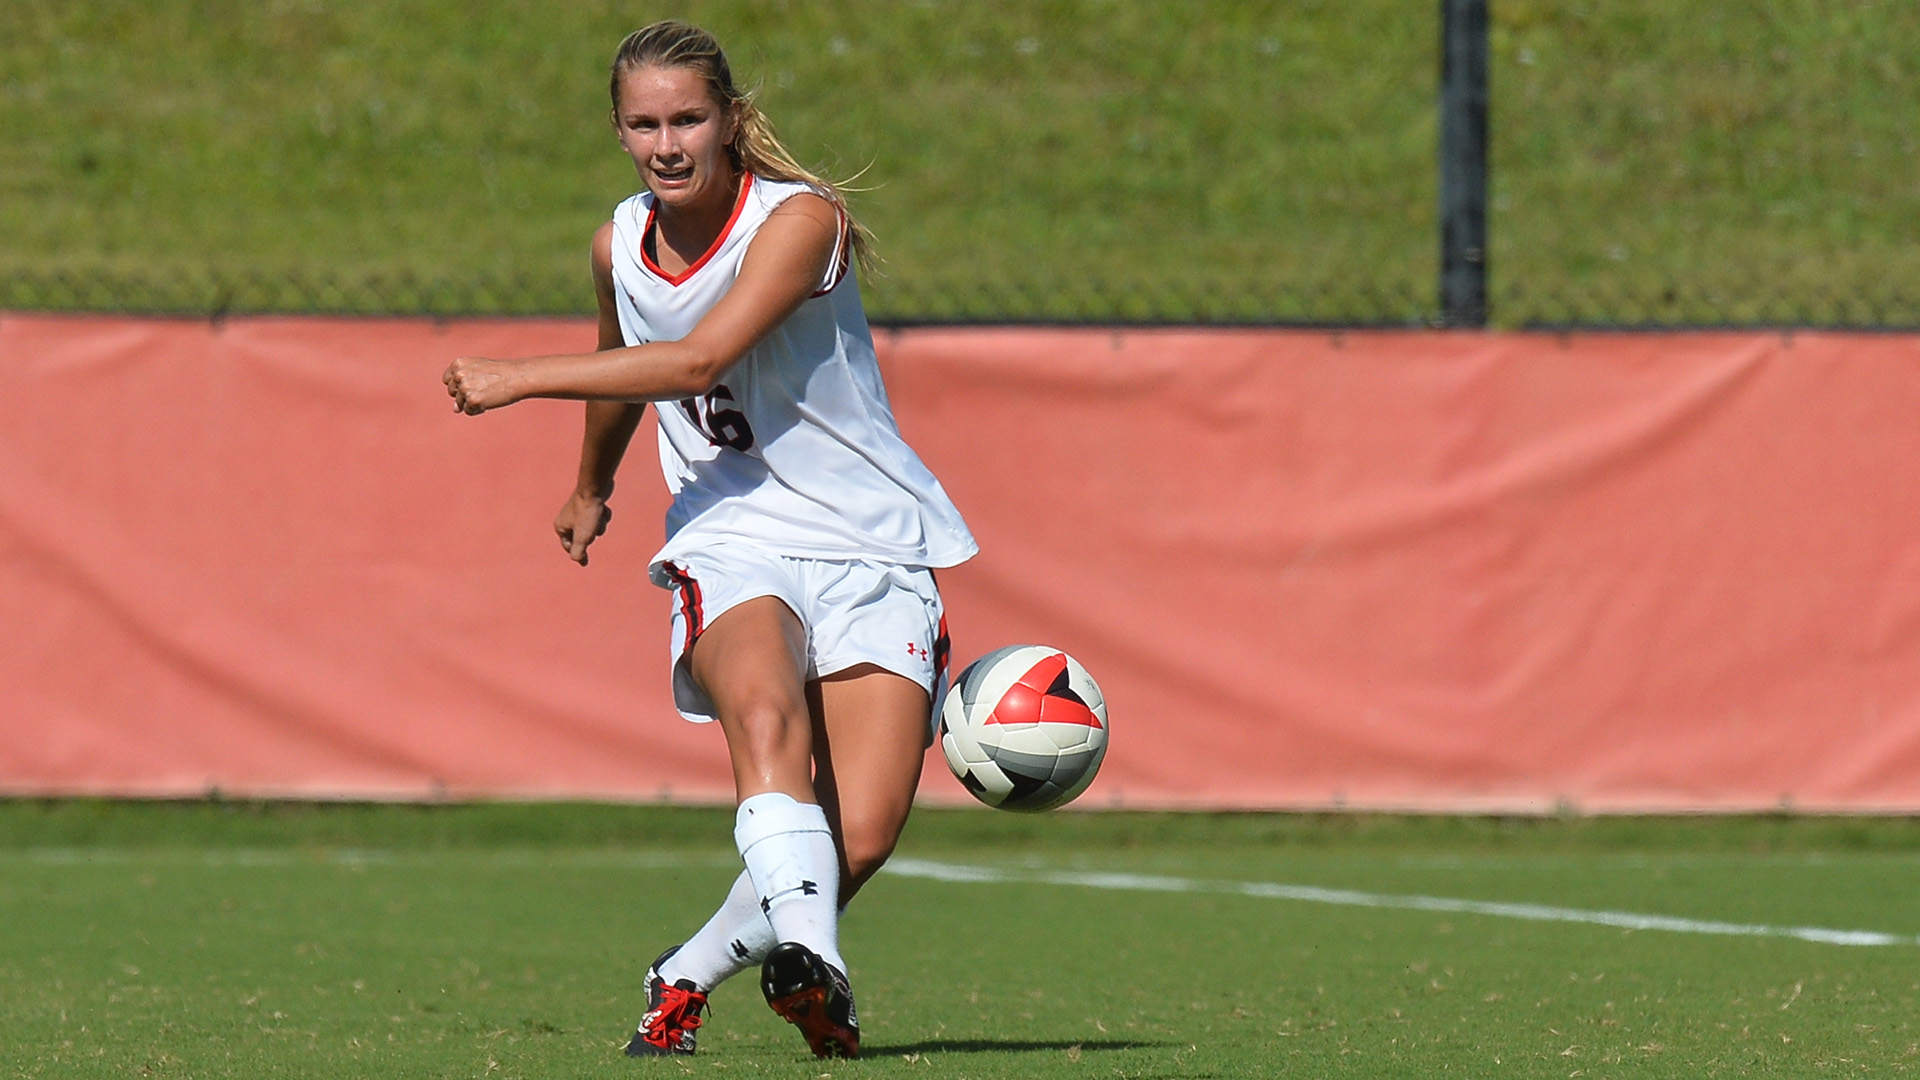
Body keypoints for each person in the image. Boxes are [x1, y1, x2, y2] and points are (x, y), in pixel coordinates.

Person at [441, 20, 976, 1062]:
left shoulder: (800, 222)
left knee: (854, 837)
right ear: (618, 130)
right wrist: (591, 484)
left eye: (688, 118)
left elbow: (693, 363)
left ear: (730, 120)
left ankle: (683, 973)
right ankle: (820, 974)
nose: (667, 143)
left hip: (869, 539)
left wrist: (516, 375)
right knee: (767, 716)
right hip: (731, 535)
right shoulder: (615, 243)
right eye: (643, 124)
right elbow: (624, 358)